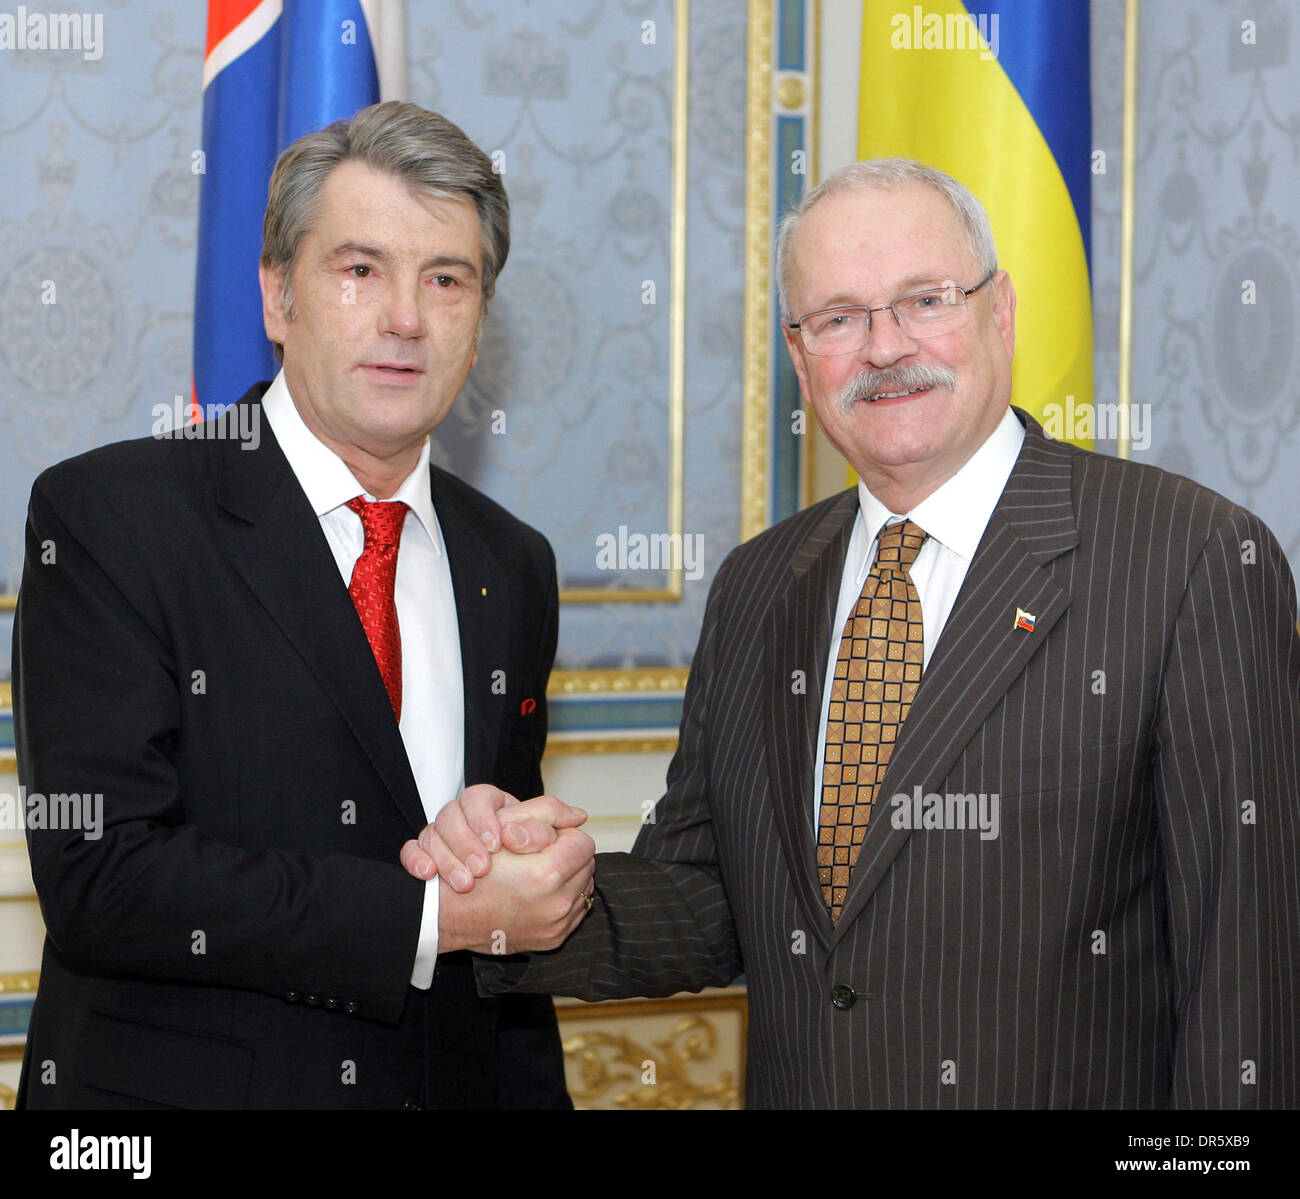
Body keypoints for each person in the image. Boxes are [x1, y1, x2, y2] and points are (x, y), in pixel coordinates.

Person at [408, 159, 1300, 1109]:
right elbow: (707, 894)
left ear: (999, 312)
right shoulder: (760, 583)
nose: (884, 347)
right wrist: (508, 896)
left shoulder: (1190, 556)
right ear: (801, 358)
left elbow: (1246, 970)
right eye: (838, 318)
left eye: (924, 299)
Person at [13, 100, 594, 1110]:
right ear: (278, 297)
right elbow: (104, 877)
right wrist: (430, 919)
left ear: (479, 319)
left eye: (446, 278)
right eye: (360, 269)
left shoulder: (512, 562)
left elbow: (498, 937)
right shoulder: (110, 515)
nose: (406, 317)